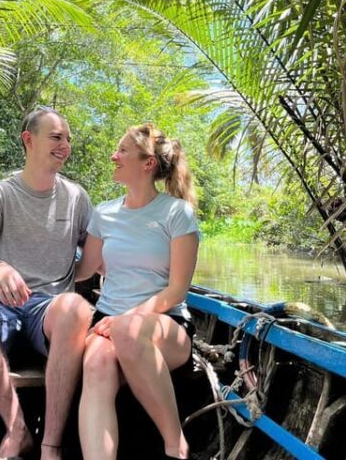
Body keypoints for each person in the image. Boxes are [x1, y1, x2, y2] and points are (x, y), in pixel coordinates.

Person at [0, 107, 93, 460]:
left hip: (51, 310)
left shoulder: (77, 198)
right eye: (56, 137)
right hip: (2, 306)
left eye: (68, 139)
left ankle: (51, 444)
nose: (65, 145)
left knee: (75, 306)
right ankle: (17, 429)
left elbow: (96, 259)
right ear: (29, 140)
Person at [76, 123, 200, 460]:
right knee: (98, 363)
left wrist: (127, 319)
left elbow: (176, 291)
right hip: (108, 320)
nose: (114, 156)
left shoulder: (177, 213)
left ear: (147, 163)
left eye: (123, 151)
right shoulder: (104, 213)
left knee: (129, 331)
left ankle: (176, 445)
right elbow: (85, 270)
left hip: (164, 322)